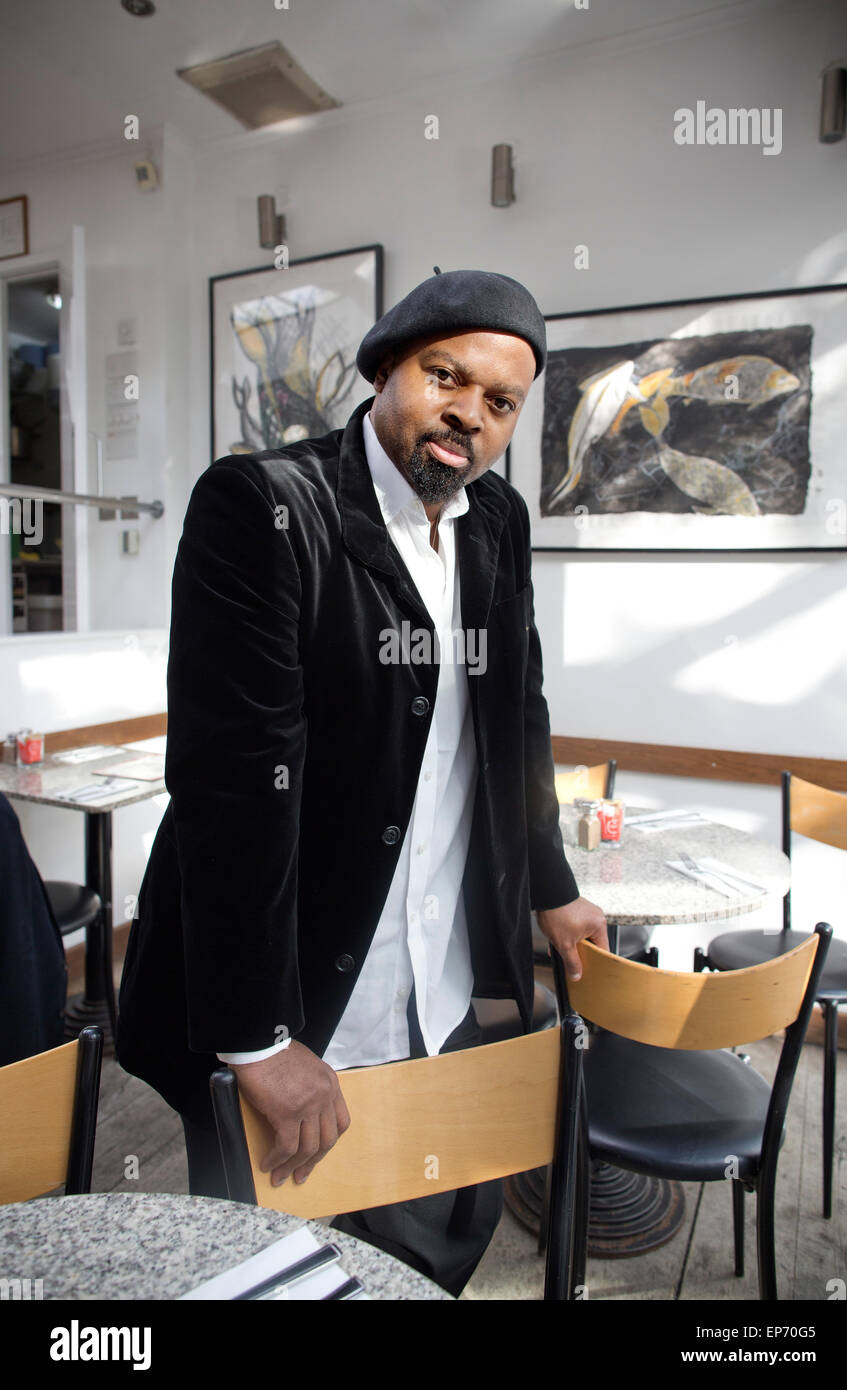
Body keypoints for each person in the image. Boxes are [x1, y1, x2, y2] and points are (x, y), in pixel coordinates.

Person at [116, 267, 608, 1296]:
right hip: (288, 984)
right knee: (260, 1262)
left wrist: (551, 887)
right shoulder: (262, 505)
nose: (465, 414)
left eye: (497, 402)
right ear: (386, 366)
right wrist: (259, 1040)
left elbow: (515, 715)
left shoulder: (498, 522)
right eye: (445, 376)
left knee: (421, 1252)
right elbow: (233, 783)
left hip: (433, 988)